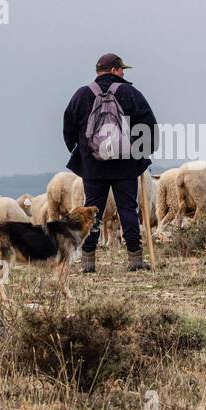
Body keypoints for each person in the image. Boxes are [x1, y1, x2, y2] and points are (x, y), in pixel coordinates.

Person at [63, 53, 157, 272]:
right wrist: (142, 153)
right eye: (122, 69)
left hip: (93, 166)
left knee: (91, 212)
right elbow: (149, 123)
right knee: (128, 209)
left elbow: (68, 125)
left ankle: (88, 263)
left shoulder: (82, 94)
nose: (124, 72)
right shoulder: (129, 93)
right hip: (125, 164)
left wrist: (79, 151)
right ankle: (135, 260)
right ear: (114, 70)